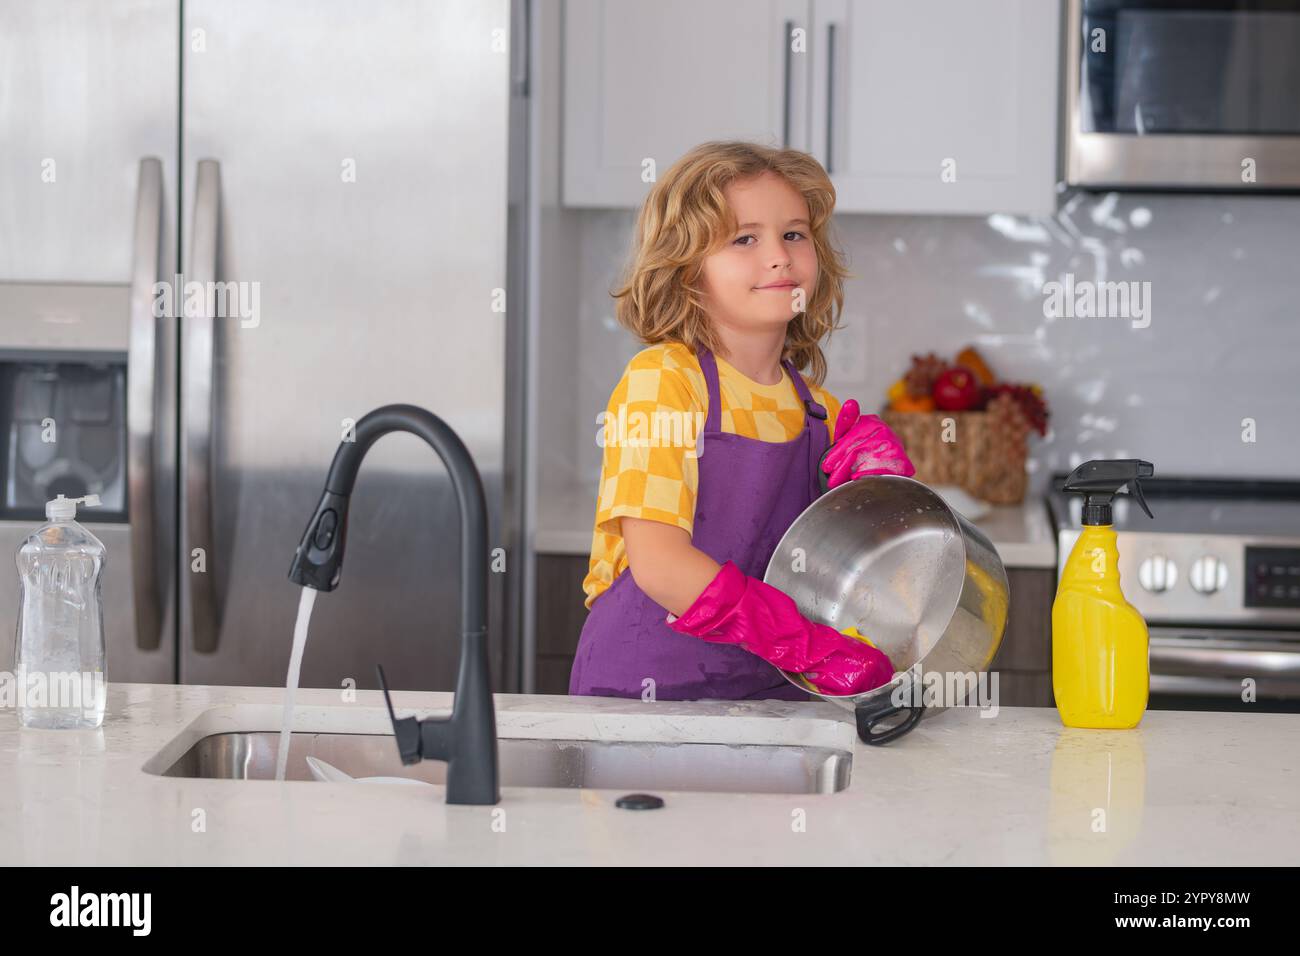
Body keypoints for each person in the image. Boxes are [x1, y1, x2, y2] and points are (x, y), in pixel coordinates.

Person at [569, 141, 915, 702]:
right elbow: (659, 564)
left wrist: (882, 500)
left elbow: (847, 576)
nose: (778, 256)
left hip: (772, 694)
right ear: (687, 268)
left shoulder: (818, 410)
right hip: (649, 688)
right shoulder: (663, 381)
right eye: (744, 238)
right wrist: (802, 645)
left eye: (794, 234)